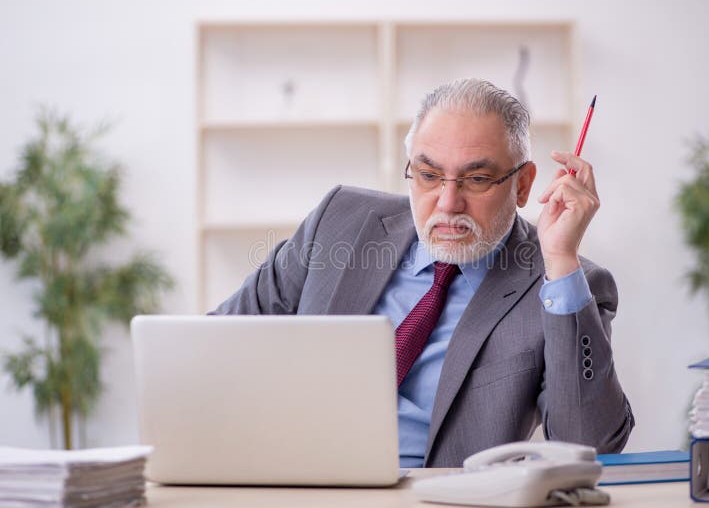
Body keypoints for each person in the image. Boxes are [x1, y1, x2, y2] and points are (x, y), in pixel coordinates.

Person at [210, 78, 634, 467]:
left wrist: (560, 260)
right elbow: (217, 346)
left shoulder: (563, 285)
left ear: (523, 185)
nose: (448, 203)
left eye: (477, 179)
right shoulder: (339, 219)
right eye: (429, 175)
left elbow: (589, 444)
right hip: (295, 482)